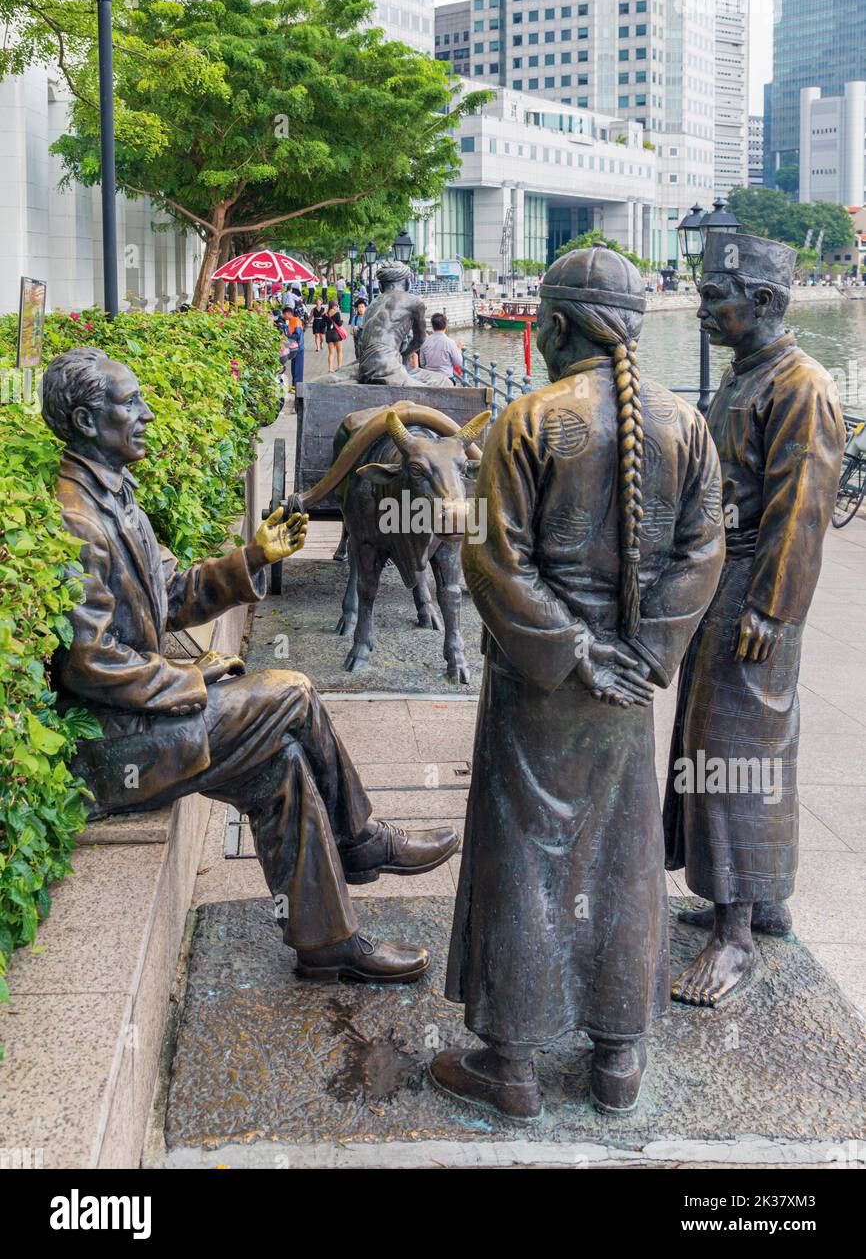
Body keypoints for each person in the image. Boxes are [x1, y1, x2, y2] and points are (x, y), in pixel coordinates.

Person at [42, 347, 460, 984]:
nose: (148, 414)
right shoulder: (78, 519)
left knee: (282, 763)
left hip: (141, 724)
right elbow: (89, 663)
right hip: (113, 751)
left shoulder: (115, 498)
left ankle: (325, 942)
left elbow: (173, 594)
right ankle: (361, 841)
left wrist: (253, 558)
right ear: (85, 421)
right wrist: (191, 679)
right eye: (131, 404)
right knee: (290, 690)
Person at [430, 244, 724, 1119]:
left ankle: (511, 1067)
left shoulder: (529, 421)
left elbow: (491, 558)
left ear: (553, 327)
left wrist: (571, 650)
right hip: (631, 688)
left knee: (526, 851)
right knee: (624, 856)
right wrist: (644, 654)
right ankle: (617, 1060)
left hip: (540, 684)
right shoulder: (687, 424)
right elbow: (703, 551)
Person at [663, 233, 846, 1007]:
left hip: (752, 592)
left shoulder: (801, 384)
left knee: (738, 746)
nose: (704, 307)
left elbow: (802, 510)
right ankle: (757, 897)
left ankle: (733, 936)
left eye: (715, 297)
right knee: (717, 738)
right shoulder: (748, 376)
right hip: (721, 581)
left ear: (764, 302)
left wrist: (772, 608)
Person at [418, 312, 462, 379]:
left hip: (430, 379)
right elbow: (458, 363)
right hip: (446, 379)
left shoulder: (425, 342)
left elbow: (422, 363)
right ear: (446, 325)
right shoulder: (450, 343)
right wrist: (458, 349)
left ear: (432, 326)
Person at [325, 298, 345, 373]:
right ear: (333, 306)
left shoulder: (325, 314)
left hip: (328, 334)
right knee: (339, 352)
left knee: (331, 353)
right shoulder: (337, 313)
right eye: (336, 305)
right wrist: (342, 321)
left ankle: (330, 369)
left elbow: (324, 324)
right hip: (336, 334)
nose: (337, 307)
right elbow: (339, 324)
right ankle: (339, 367)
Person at [350, 298, 367, 362]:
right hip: (357, 342)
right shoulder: (355, 318)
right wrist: (355, 329)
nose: (360, 309)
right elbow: (351, 331)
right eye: (359, 307)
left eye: (362, 307)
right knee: (358, 358)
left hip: (366, 342)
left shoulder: (368, 317)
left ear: (365, 308)